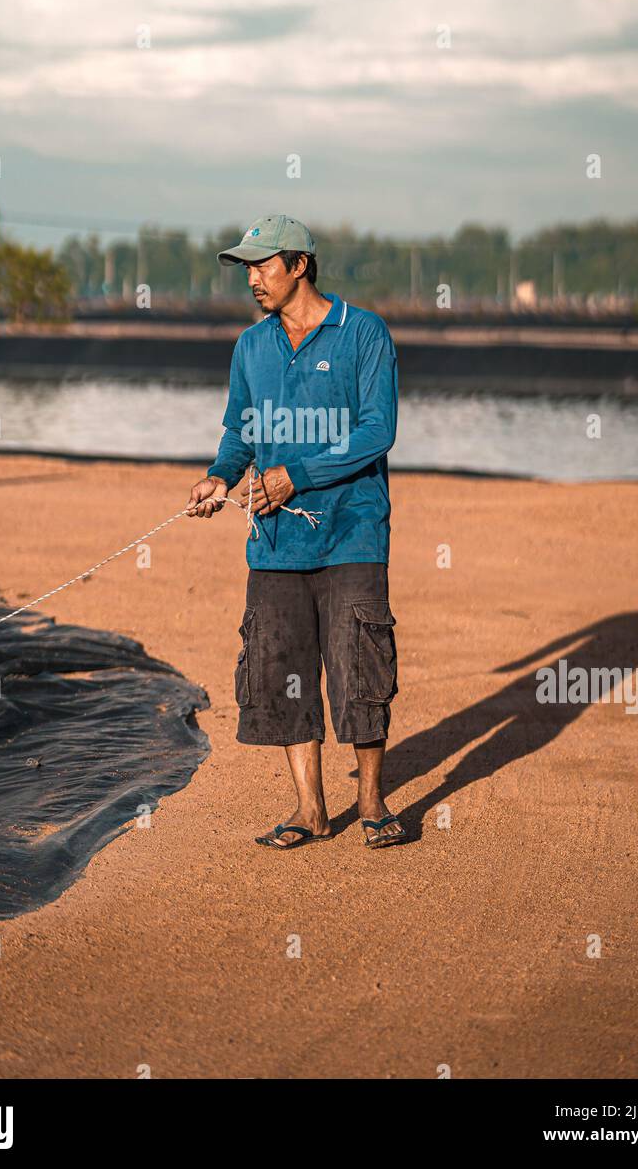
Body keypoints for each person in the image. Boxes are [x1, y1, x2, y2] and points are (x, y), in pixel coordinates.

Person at [187, 214, 405, 850]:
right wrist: (220, 477)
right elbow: (241, 431)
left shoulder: (363, 332)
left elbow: (376, 430)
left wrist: (295, 476)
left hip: (354, 534)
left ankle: (371, 801)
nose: (252, 279)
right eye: (247, 268)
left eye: (262, 266)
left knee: (359, 666)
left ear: (299, 265)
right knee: (280, 669)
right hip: (274, 542)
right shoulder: (251, 347)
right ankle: (310, 809)